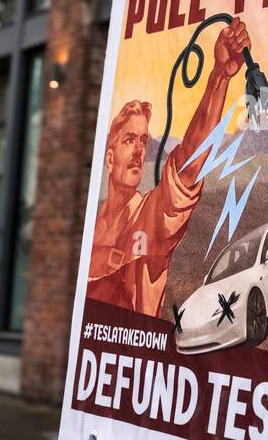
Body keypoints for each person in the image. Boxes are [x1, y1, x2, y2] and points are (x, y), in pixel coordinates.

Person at [87, 18, 252, 317]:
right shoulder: (92, 222)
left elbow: (187, 169)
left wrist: (219, 77)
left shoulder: (147, 215)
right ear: (109, 157)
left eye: (143, 141)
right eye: (129, 140)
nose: (139, 149)